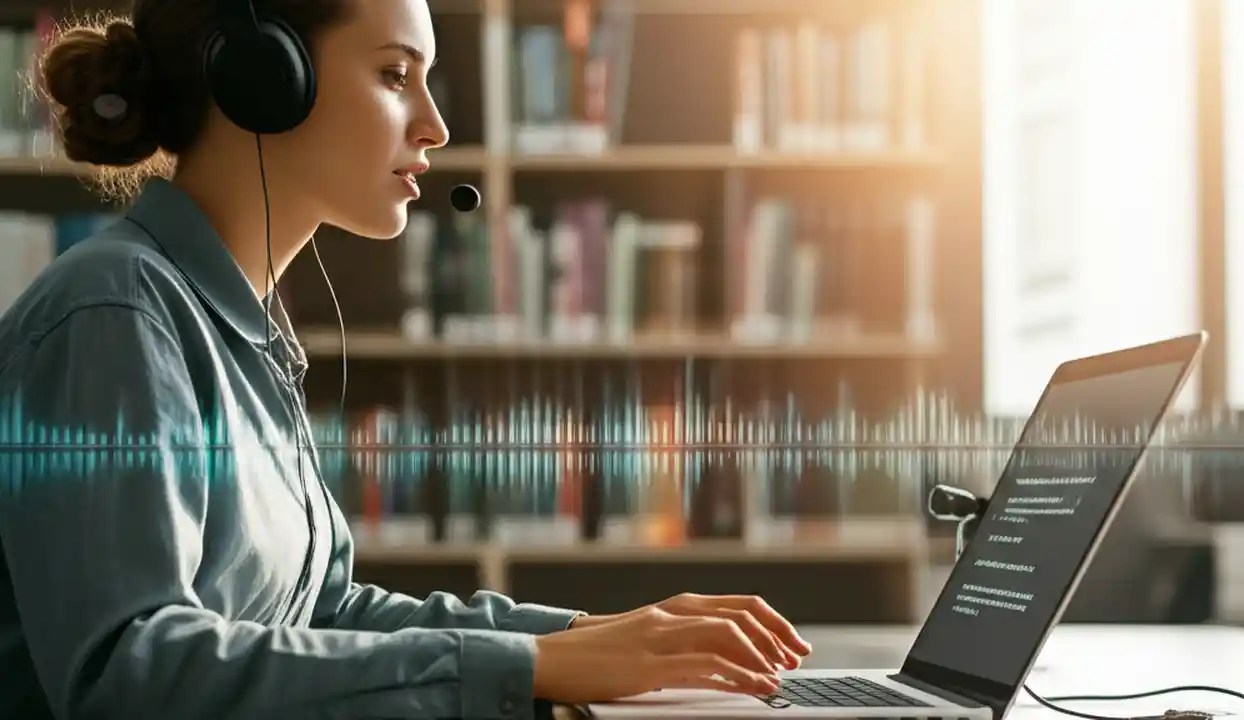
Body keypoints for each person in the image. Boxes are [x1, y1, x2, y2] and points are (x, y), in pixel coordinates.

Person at [0, 1, 812, 718]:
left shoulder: (240, 324)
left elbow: (323, 613)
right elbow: (129, 672)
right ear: (262, 78)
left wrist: (593, 637)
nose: (435, 125)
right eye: (396, 75)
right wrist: (531, 666)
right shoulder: (116, 312)